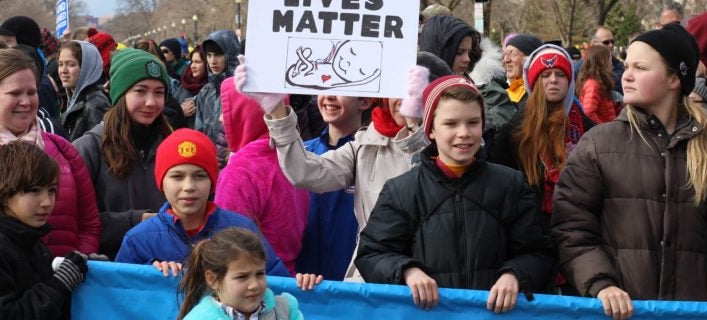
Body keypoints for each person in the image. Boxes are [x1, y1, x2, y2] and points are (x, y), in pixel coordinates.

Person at [234, 52, 449, 281]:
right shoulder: (366, 145)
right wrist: (276, 108)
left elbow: (426, 189)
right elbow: (306, 172)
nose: (402, 101)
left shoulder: (453, 147)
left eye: (412, 93)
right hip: (371, 282)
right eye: (396, 90)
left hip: (429, 281)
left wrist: (417, 129)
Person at [552, 24, 707, 320]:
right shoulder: (598, 144)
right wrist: (601, 284)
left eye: (640, 67)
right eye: (627, 66)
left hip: (693, 311)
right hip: (619, 313)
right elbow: (571, 228)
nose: (626, 75)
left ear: (675, 79)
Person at [355, 76, 554, 312]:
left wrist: (515, 275)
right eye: (451, 124)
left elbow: (540, 253)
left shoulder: (511, 185)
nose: (464, 133)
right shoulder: (402, 191)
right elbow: (371, 255)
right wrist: (407, 270)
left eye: (472, 122)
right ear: (431, 130)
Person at [0, 47, 101, 256]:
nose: (26, 102)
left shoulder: (63, 150)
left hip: (66, 283)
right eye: (15, 93)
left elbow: (89, 224)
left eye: (32, 92)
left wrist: (78, 265)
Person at [115, 128, 290, 278]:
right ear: (161, 182)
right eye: (177, 176)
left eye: (200, 176)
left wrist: (304, 283)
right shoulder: (139, 240)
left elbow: (278, 285)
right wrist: (150, 276)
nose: (189, 187)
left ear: (212, 181)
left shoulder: (243, 230)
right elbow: (121, 298)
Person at [0, 140, 89, 319]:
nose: (46, 202)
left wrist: (81, 267)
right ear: (3, 193)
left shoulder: (32, 242)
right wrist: (59, 284)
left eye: (52, 190)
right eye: (34, 190)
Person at [73, 48, 173, 259]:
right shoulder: (88, 148)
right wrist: (137, 221)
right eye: (140, 91)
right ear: (121, 93)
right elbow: (74, 221)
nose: (151, 102)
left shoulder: (172, 145)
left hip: (166, 273)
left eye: (159, 92)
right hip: (109, 272)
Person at [214, 77, 310, 275]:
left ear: (245, 113)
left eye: (227, 110)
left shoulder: (240, 172)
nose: (221, 119)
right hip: (291, 277)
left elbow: (227, 243)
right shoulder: (297, 157)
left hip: (252, 285)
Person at [491, 44, 592, 225]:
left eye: (560, 74)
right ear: (534, 82)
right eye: (545, 75)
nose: (553, 80)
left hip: (577, 220)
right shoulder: (515, 129)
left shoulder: (585, 126)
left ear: (569, 81)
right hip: (530, 225)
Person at [293, 92, 373, 280]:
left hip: (351, 284)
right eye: (324, 89)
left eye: (341, 91)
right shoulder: (302, 155)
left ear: (365, 101)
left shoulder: (373, 157)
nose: (329, 97)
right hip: (303, 283)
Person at [178, 227, 320, 319]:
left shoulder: (285, 310)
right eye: (242, 277)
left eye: (260, 274)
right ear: (212, 279)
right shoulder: (200, 317)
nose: (254, 285)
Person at [419, 15, 516, 132]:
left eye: (468, 52)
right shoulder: (413, 96)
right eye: (459, 52)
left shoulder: (478, 90)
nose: (467, 59)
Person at [194, 29, 241, 167]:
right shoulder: (205, 92)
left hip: (235, 167)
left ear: (230, 54)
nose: (213, 61)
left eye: (219, 55)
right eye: (209, 55)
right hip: (208, 165)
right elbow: (199, 132)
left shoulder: (243, 91)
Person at [58, 40, 110, 141]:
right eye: (60, 64)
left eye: (71, 64)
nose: (63, 70)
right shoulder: (72, 99)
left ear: (86, 68)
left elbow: (98, 148)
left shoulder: (95, 104)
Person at [575, 44, 618, 124]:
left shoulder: (599, 81)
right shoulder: (593, 84)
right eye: (609, 59)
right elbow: (588, 111)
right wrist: (602, 127)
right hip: (603, 132)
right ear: (602, 61)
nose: (611, 63)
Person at [502, 34, 543, 103]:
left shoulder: (539, 94)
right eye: (505, 54)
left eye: (512, 53)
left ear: (529, 59)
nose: (506, 60)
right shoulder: (503, 91)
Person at [583, 26, 624, 95]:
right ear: (593, 44)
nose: (611, 45)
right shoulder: (580, 68)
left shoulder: (620, 66)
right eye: (606, 42)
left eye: (612, 41)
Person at [174, 46, 207, 125]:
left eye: (197, 62)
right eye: (192, 62)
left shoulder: (212, 88)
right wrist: (181, 112)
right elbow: (172, 109)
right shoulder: (185, 83)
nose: (193, 66)